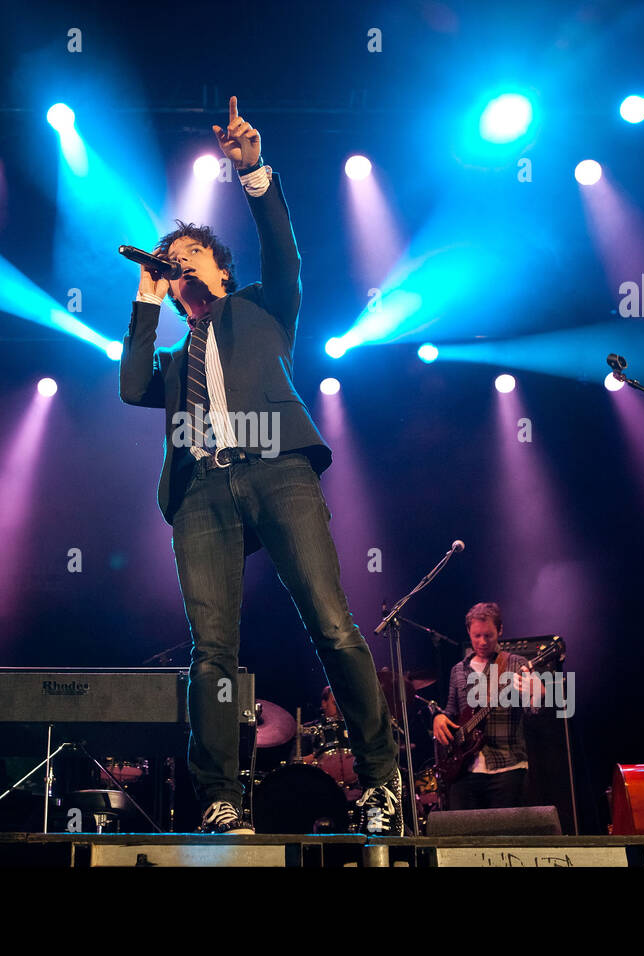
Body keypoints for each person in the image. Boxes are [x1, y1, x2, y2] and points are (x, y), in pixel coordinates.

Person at [119, 96, 400, 836]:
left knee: (333, 625)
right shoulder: (176, 358)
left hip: (279, 471)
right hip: (202, 492)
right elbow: (129, 387)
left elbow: (285, 251)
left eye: (188, 258)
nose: (177, 267)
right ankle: (219, 796)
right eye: (169, 262)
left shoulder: (263, 308)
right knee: (211, 653)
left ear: (220, 266)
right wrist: (147, 301)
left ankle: (381, 781)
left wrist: (253, 173)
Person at [431, 602, 540, 810]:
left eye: (488, 635)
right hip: (464, 770)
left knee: (504, 839)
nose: (482, 642)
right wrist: (439, 717)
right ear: (468, 632)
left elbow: (533, 710)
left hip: (507, 767)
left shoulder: (515, 664)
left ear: (500, 630)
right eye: (476, 636)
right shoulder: (458, 671)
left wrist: (538, 693)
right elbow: (452, 712)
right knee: (463, 838)